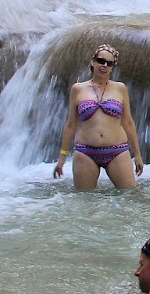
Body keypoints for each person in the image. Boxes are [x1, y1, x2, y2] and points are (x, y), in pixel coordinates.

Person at [54, 44, 144, 190]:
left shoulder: (120, 88)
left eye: (109, 63)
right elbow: (71, 125)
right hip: (85, 152)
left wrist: (138, 156)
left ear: (112, 67)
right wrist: (62, 158)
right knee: (85, 202)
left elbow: (128, 123)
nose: (104, 66)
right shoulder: (78, 89)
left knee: (130, 198)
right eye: (101, 61)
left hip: (118, 151)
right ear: (93, 62)